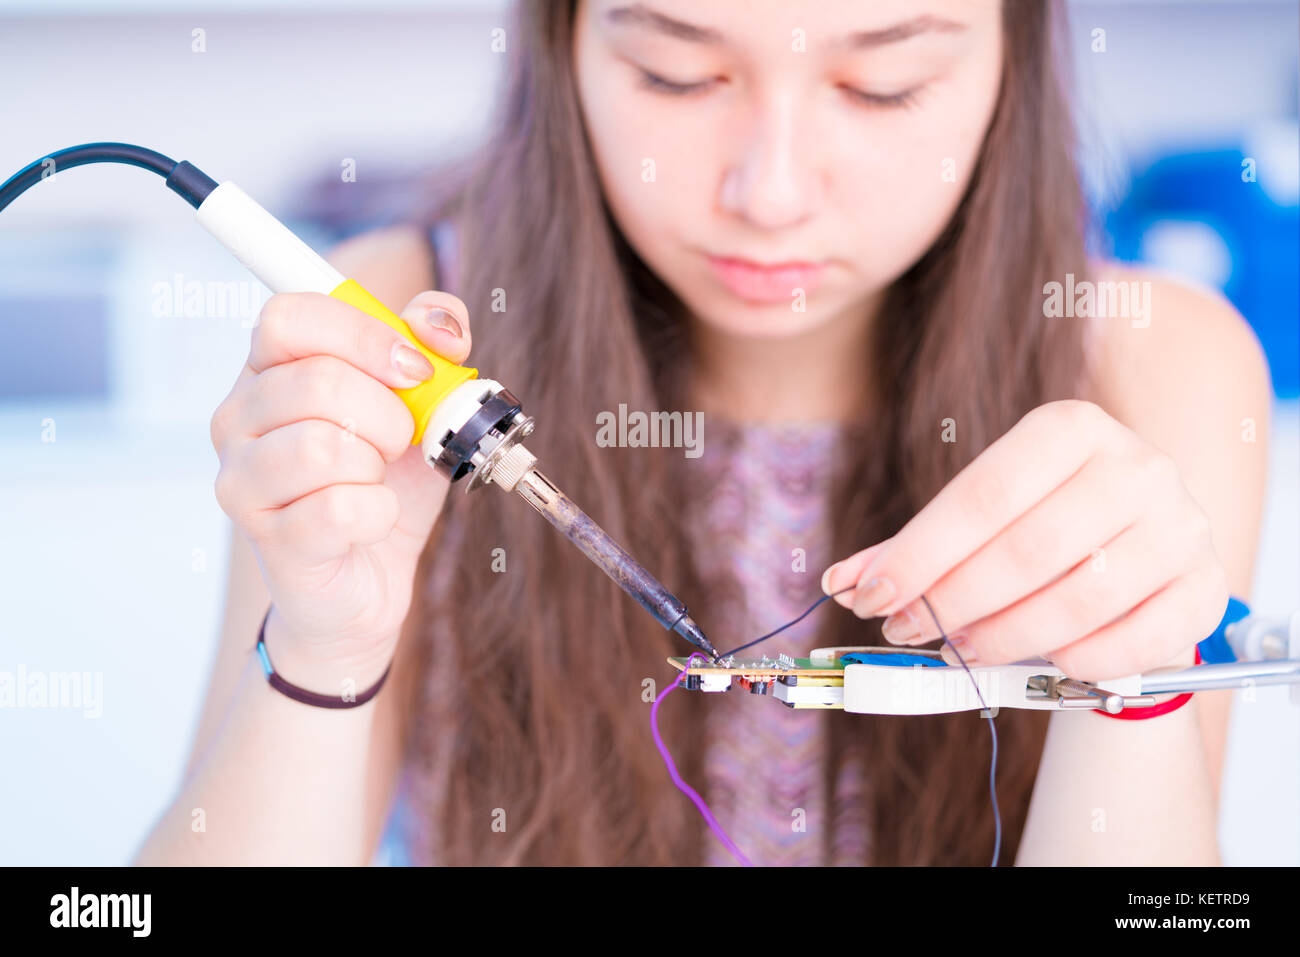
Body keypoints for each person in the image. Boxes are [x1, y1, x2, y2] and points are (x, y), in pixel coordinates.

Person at [136, 0, 1271, 866]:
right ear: (562, 44)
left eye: (882, 86)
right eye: (676, 75)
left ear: (1014, 61)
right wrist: (325, 653)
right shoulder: (401, 346)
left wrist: (1134, 689)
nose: (769, 191)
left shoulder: (1149, 364)